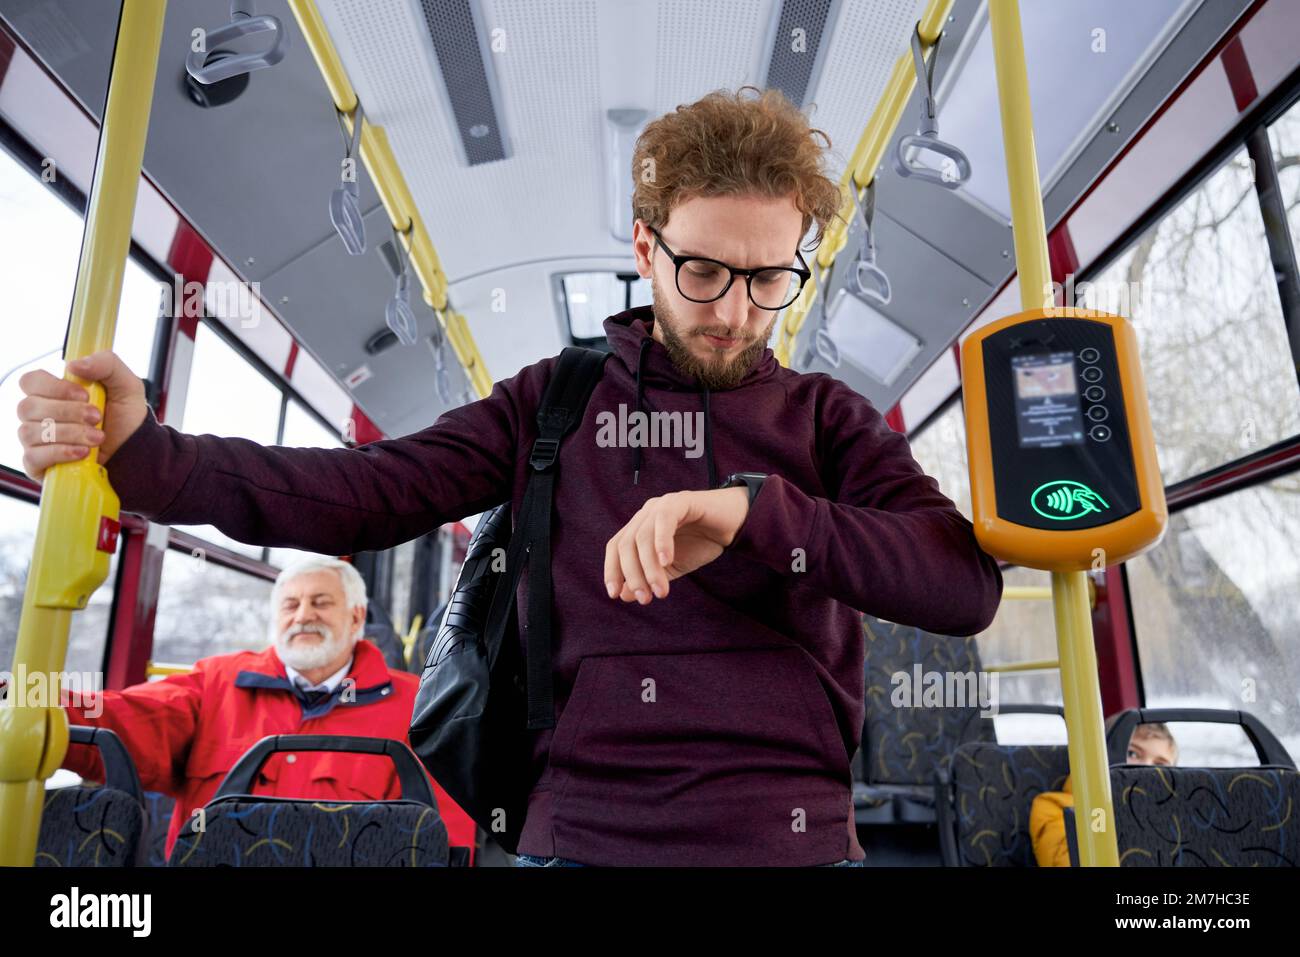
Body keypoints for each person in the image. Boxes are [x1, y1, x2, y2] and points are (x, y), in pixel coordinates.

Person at [17, 86, 1003, 866]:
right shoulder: (554, 404)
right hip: (576, 839)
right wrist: (152, 458)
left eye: (767, 279)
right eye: (703, 272)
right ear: (646, 249)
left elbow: (958, 583)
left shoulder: (826, 421)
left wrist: (756, 512)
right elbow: (365, 492)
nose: (735, 312)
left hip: (788, 841)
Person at [56, 556, 477, 862]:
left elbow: (443, 837)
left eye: (321, 603)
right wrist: (28, 705)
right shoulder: (215, 684)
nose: (303, 616)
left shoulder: (417, 705)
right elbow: (122, 719)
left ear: (356, 617)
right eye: (290, 605)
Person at [1029, 722, 1179, 867]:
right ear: (1100, 754)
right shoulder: (1054, 806)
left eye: (1160, 764)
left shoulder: (1175, 815)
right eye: (1132, 753)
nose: (1146, 768)